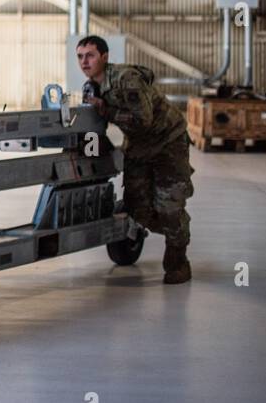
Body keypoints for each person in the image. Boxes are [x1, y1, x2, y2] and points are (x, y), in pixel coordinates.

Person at [76, 35, 193, 283]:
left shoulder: (126, 80)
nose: (84, 62)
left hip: (167, 142)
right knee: (137, 210)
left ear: (104, 58)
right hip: (139, 147)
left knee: (169, 208)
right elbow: (96, 126)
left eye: (90, 56)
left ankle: (178, 262)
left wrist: (105, 109)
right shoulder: (92, 88)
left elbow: (143, 121)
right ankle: (177, 226)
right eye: (80, 57)